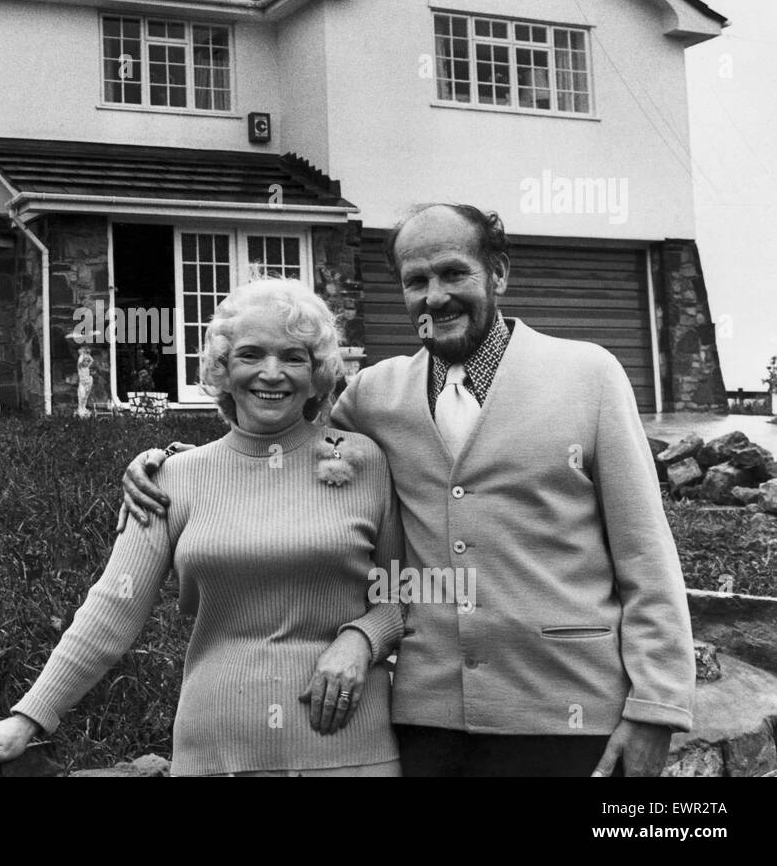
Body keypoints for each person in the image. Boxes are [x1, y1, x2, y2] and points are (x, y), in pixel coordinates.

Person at [121, 204, 694, 777]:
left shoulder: (589, 376)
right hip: (429, 724)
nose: (435, 296)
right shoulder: (374, 396)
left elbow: (645, 553)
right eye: (416, 281)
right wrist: (172, 461)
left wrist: (657, 706)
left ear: (498, 272)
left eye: (453, 273)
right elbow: (282, 441)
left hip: (569, 715)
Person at [0, 278, 406, 776]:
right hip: (216, 750)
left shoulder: (363, 461)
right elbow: (113, 607)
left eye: (293, 357)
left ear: (316, 373)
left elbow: (401, 593)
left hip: (352, 749)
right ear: (223, 369)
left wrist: (363, 637)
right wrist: (28, 718)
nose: (272, 374)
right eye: (251, 354)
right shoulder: (172, 477)